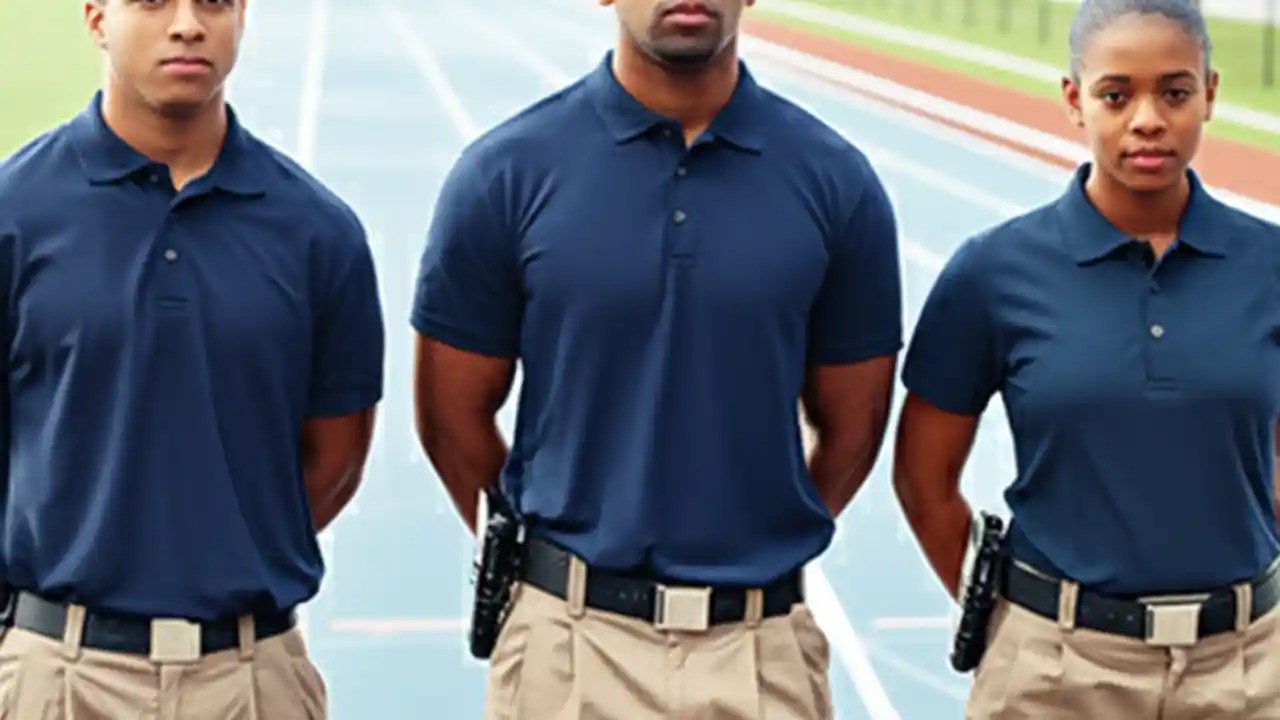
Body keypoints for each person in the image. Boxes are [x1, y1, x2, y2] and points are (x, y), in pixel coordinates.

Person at [410, 0, 903, 715]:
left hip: (760, 655)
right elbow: (452, 417)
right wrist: (557, 561)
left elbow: (855, 427)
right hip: (570, 651)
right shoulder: (503, 174)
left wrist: (753, 546)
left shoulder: (838, 183)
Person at [893, 0, 1280, 717]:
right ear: (1075, 101)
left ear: (1211, 93)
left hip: (1247, 678)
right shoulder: (993, 272)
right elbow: (922, 478)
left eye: (1174, 91)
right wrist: (1026, 628)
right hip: (1054, 677)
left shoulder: (1270, 264)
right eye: (1115, 94)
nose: (1147, 119)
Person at [0, 0, 384, 717]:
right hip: (57, 678)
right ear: (95, 17)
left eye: (213, 1)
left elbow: (335, 459)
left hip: (250, 679)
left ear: (242, 15)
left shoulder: (318, 233)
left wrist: (223, 541)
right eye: (151, 2)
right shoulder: (14, 212)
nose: (186, 25)